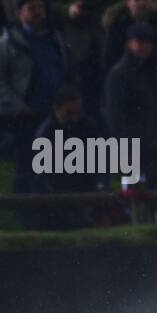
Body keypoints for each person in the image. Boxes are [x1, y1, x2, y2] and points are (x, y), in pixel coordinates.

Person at [0, 0, 71, 194]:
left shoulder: (56, 39)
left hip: (55, 113)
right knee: (27, 165)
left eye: (40, 7)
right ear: (20, 13)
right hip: (25, 115)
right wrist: (18, 106)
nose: (37, 12)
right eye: (31, 8)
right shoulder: (7, 43)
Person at [103, 22, 157, 215]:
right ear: (129, 43)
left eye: (148, 42)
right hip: (134, 147)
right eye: (140, 41)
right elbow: (116, 118)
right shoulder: (119, 75)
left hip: (155, 145)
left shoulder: (152, 71)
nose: (145, 46)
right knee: (137, 200)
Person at [31, 86, 110, 229]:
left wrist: (100, 182)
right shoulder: (46, 135)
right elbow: (46, 176)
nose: (74, 118)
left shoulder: (87, 126)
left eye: (77, 113)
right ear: (57, 109)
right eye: (69, 113)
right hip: (59, 192)